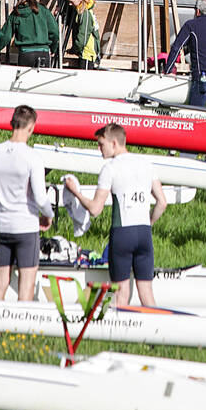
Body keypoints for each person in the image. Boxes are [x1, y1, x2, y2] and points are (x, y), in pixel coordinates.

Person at [64, 124, 167, 308]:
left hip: (122, 235)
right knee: (147, 295)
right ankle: (157, 333)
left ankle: (122, 335)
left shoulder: (110, 168)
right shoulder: (146, 164)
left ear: (113, 143)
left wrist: (75, 192)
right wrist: (149, 222)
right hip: (144, 234)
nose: (99, 148)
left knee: (121, 296)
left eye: (101, 144)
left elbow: (95, 209)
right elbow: (162, 202)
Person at [0, 105, 54, 302]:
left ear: (11, 124)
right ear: (31, 127)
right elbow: (40, 198)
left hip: (3, 225)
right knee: (26, 284)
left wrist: (0, 216)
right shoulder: (32, 157)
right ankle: (24, 329)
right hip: (25, 227)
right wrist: (49, 215)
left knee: (0, 283)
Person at [0, 0, 59, 67]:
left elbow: (5, 36)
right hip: (43, 53)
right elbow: (55, 31)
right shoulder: (43, 10)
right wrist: (53, 48)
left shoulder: (16, 13)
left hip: (26, 54)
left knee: (24, 80)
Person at [66, 0, 101, 71]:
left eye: (72, 1)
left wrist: (74, 49)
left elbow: (83, 36)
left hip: (87, 53)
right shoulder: (79, 10)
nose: (70, 4)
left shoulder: (85, 13)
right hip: (83, 51)